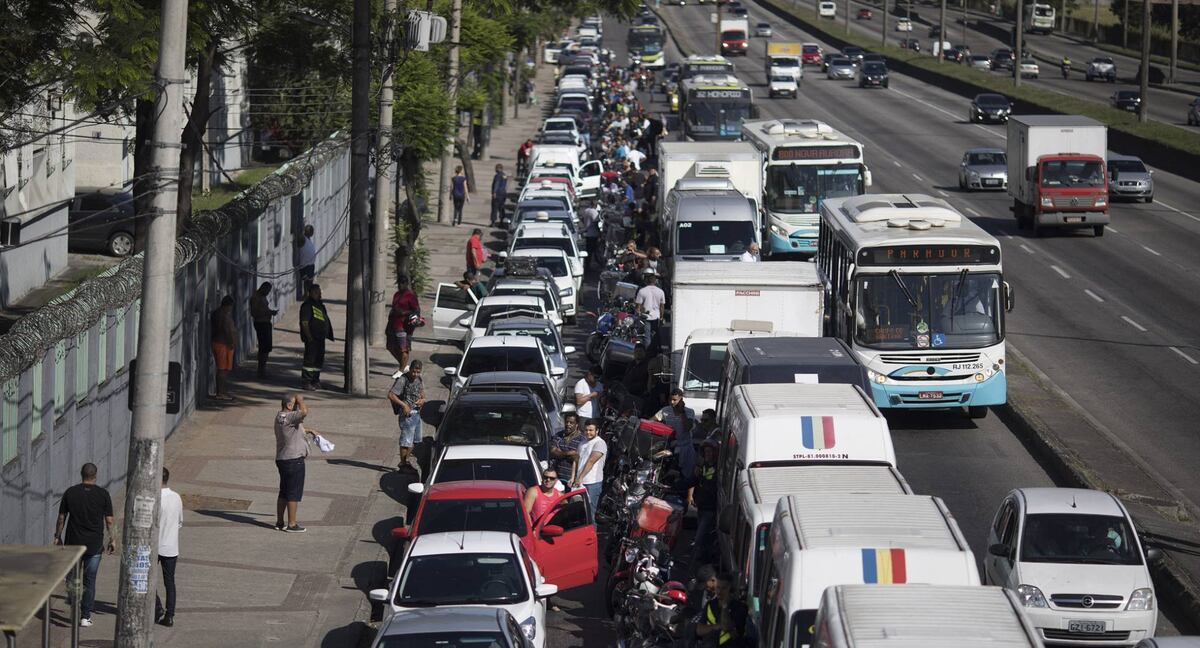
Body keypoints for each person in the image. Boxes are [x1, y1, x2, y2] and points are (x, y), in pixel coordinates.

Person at [55, 463, 114, 628]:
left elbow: (61, 518)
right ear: (96, 475)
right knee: (90, 581)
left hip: (73, 545)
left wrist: (57, 536)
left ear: (81, 474)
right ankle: (85, 616)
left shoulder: (70, 492)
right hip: (94, 546)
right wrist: (112, 539)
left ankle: (74, 609)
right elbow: (109, 520)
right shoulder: (103, 494)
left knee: (73, 579)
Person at [275, 393, 316, 532]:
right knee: (294, 493)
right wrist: (301, 399)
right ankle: (292, 524)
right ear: (289, 405)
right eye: (295, 404)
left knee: (284, 492)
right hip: (294, 460)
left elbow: (294, 428)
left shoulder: (280, 416)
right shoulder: (291, 416)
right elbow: (304, 413)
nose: (298, 407)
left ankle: (280, 522)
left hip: (282, 459)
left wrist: (309, 430)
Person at [388, 360, 426, 472]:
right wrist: (404, 405)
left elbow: (423, 393)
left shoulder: (419, 379)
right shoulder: (403, 379)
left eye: (418, 372)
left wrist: (422, 400)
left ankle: (405, 461)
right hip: (407, 415)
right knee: (406, 441)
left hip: (417, 413)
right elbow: (391, 395)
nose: (415, 374)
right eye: (414, 372)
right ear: (410, 369)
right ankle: (403, 464)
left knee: (415, 440)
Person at [156, 466, 182, 627]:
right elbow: (180, 522)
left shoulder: (155, 498)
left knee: (145, 578)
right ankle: (169, 614)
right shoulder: (176, 497)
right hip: (171, 547)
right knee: (169, 582)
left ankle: (157, 606)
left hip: (155, 546)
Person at [654, 388, 697, 480]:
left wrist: (682, 412)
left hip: (685, 448)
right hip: (670, 447)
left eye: (675, 400)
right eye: (670, 400)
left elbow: (688, 427)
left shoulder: (689, 412)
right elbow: (652, 421)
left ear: (681, 400)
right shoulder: (665, 410)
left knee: (687, 476)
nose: (672, 402)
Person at [299, 283, 335, 391]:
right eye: (316, 292)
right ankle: (306, 382)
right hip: (312, 339)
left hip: (320, 338)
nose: (319, 294)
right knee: (310, 361)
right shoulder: (307, 305)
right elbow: (304, 322)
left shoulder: (319, 305)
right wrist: (309, 337)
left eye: (319, 292)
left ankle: (315, 380)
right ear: (310, 293)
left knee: (319, 360)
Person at [689, 443, 719, 565]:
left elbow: (712, 486)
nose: (707, 454)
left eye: (709, 452)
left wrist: (701, 478)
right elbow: (693, 482)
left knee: (699, 538)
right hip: (701, 507)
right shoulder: (703, 467)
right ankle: (704, 559)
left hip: (710, 510)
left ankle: (693, 563)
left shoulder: (717, 469)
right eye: (705, 452)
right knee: (704, 537)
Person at [571, 419, 608, 514]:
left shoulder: (600, 443)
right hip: (579, 482)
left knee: (590, 512)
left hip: (592, 483)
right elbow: (576, 460)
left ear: (597, 430)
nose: (588, 432)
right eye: (586, 430)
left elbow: (591, 461)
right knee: (578, 512)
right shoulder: (582, 443)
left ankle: (593, 529)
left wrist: (580, 477)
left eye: (591, 430)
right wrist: (573, 477)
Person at [387, 275, 420, 370]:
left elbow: (416, 310)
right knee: (390, 346)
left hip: (404, 326)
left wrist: (404, 312)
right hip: (393, 324)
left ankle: (401, 370)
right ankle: (403, 365)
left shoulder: (410, 296)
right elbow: (393, 309)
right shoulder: (396, 295)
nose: (400, 285)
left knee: (403, 349)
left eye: (403, 283)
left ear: (406, 284)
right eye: (399, 283)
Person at [210, 295, 236, 400]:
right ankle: (221, 393)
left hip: (223, 343)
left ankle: (223, 392)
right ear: (228, 306)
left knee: (224, 369)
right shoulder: (222, 314)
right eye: (230, 306)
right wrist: (230, 341)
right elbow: (225, 329)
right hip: (223, 344)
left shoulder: (223, 313)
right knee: (222, 369)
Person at [249, 282, 278, 378]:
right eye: (267, 290)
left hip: (266, 322)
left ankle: (263, 368)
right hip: (261, 323)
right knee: (263, 347)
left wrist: (270, 312)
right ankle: (261, 370)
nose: (268, 293)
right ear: (263, 288)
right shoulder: (256, 297)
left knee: (267, 348)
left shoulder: (262, 296)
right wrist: (268, 312)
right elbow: (254, 312)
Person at [549, 412, 584, 488]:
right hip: (556, 478)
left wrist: (560, 453)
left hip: (572, 480)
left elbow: (578, 458)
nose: (568, 424)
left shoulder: (582, 440)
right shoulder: (558, 436)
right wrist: (568, 453)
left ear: (577, 424)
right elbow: (552, 452)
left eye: (571, 423)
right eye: (567, 422)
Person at [636, 273, 667, 352]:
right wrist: (661, 317)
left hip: (646, 316)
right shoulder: (660, 291)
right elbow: (662, 306)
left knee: (647, 336)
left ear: (647, 281)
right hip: (656, 316)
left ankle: (648, 352)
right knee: (656, 335)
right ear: (655, 281)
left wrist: (639, 314)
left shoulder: (642, 291)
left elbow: (638, 306)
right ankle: (658, 350)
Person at [296, 224, 317, 296]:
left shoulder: (308, 239)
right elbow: (299, 239)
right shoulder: (303, 238)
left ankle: (308, 295)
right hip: (305, 265)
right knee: (307, 281)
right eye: (311, 231)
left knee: (309, 281)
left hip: (310, 264)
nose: (312, 233)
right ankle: (307, 295)